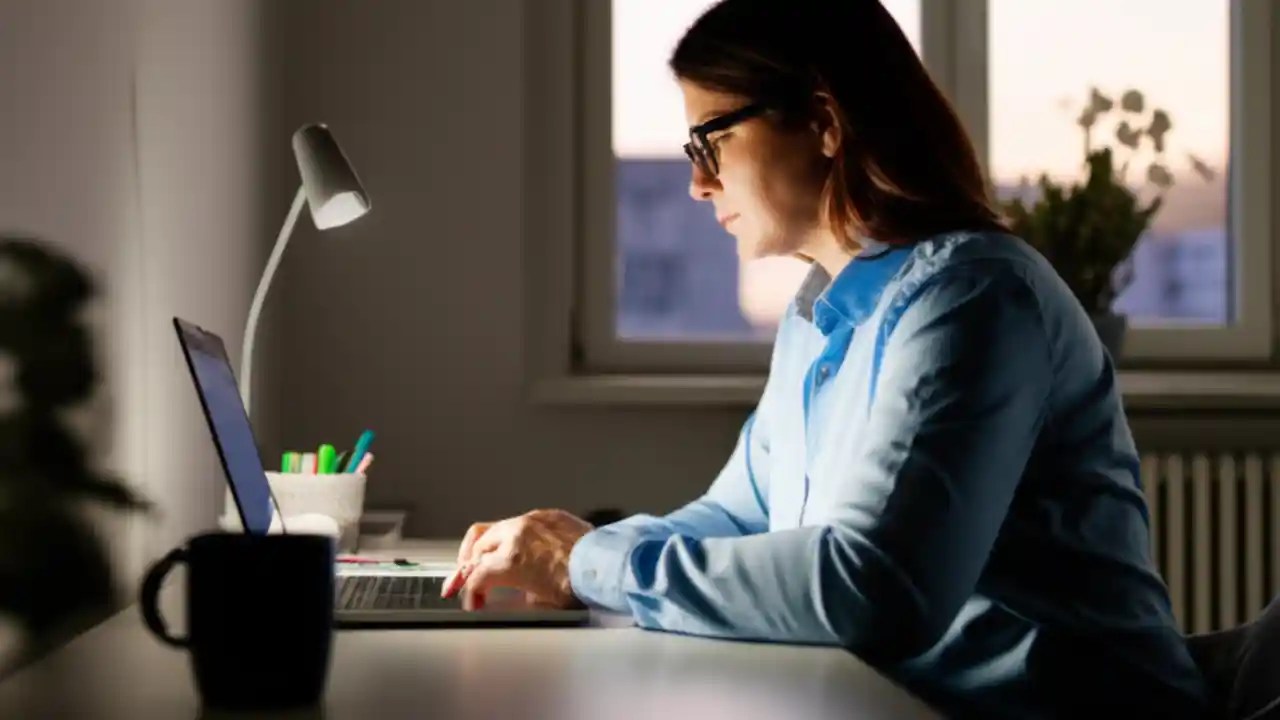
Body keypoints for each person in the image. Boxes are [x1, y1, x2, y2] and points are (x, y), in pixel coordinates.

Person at [441, 0, 1210, 716]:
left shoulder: (973, 298)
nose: (697, 182)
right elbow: (740, 516)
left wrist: (590, 562)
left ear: (823, 123)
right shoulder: (817, 314)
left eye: (712, 139)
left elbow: (874, 589)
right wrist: (566, 553)